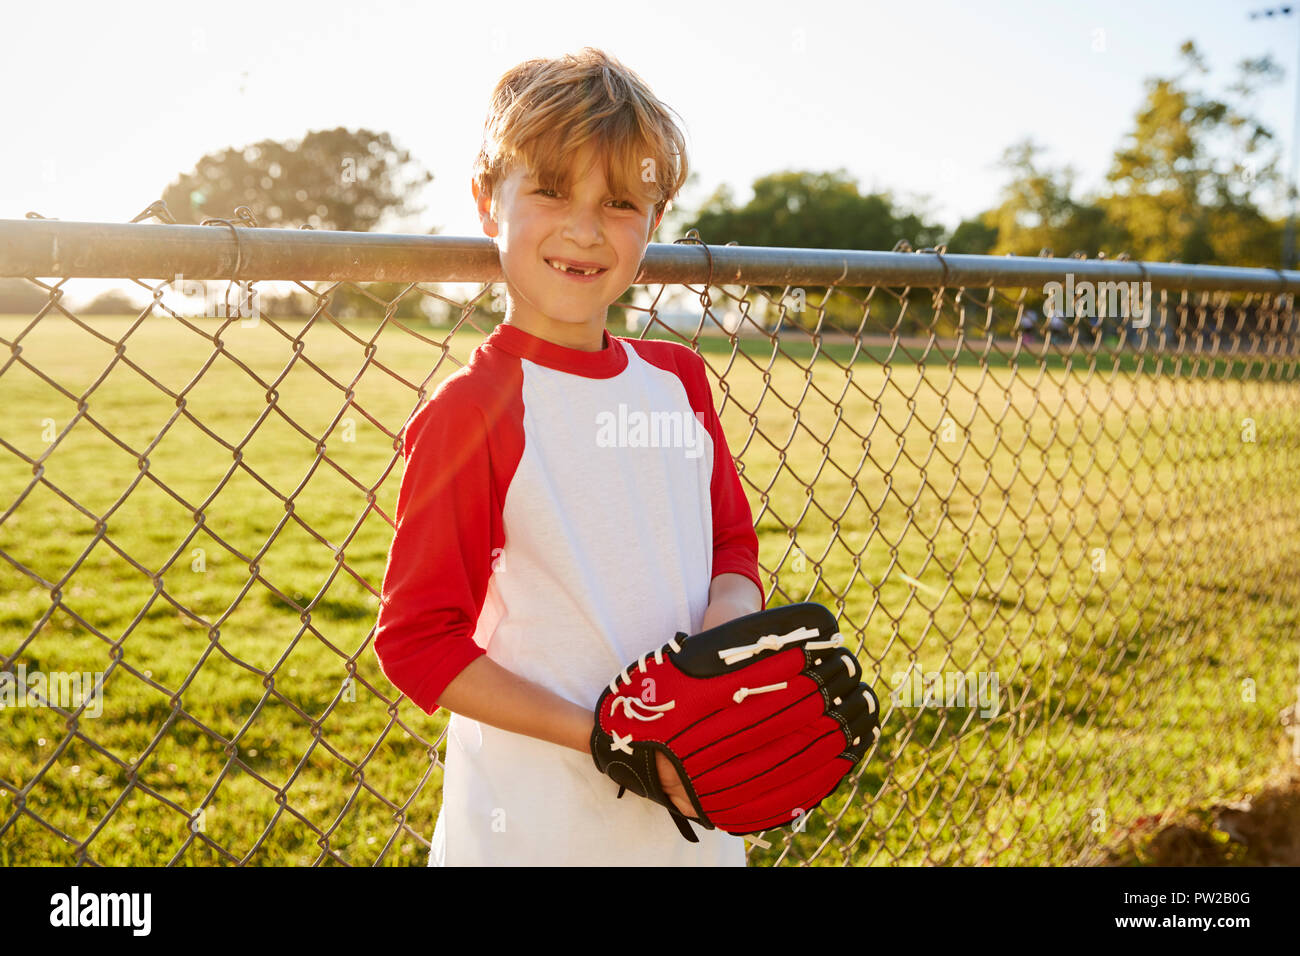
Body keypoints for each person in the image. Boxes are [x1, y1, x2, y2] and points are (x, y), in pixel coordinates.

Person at [372, 48, 765, 866]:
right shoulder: (473, 413)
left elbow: (732, 548)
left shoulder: (678, 380)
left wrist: (714, 662)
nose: (585, 228)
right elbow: (420, 642)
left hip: (692, 810)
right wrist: (610, 739)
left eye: (621, 201)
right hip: (538, 825)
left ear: (655, 223)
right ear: (487, 201)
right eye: (551, 190)